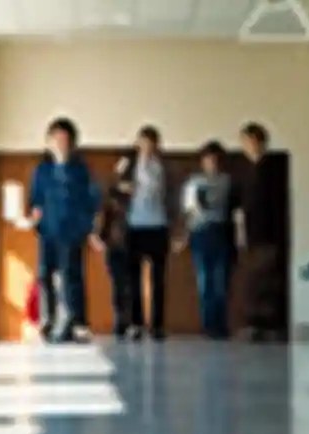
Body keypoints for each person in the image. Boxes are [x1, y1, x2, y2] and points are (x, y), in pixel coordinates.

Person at [28, 117, 101, 344]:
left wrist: (91, 229)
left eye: (64, 139)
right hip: (48, 230)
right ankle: (47, 322)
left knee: (72, 276)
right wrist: (33, 216)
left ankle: (78, 323)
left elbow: (92, 200)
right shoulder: (42, 170)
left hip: (72, 230)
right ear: (49, 142)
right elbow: (36, 200)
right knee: (44, 275)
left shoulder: (80, 171)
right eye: (56, 139)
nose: (60, 143)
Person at [235, 122, 287, 342]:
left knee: (268, 279)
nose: (245, 146)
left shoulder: (273, 168)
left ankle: (270, 324)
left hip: (269, 233)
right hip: (252, 232)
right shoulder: (247, 170)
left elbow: (276, 203)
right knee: (253, 281)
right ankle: (254, 323)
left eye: (248, 141)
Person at [118, 125, 171, 341]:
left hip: (158, 224)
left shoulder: (164, 166)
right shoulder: (127, 164)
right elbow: (114, 188)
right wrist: (123, 187)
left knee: (158, 278)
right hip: (134, 225)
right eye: (143, 142)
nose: (147, 147)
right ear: (137, 143)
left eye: (151, 143)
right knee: (133, 278)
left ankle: (157, 325)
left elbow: (172, 195)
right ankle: (136, 323)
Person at [182, 141, 237, 339]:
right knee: (204, 281)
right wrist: (185, 236)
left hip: (221, 231)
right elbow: (189, 211)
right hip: (201, 232)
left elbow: (234, 209)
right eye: (208, 159)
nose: (211, 163)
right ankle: (208, 325)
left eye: (215, 159)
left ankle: (221, 325)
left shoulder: (227, 181)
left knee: (221, 281)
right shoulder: (194, 182)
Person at [94, 181, 132, 338]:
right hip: (116, 247)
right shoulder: (111, 202)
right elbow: (102, 225)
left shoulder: (131, 203)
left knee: (126, 286)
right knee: (120, 286)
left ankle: (126, 322)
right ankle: (121, 322)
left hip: (128, 246)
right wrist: (99, 239)